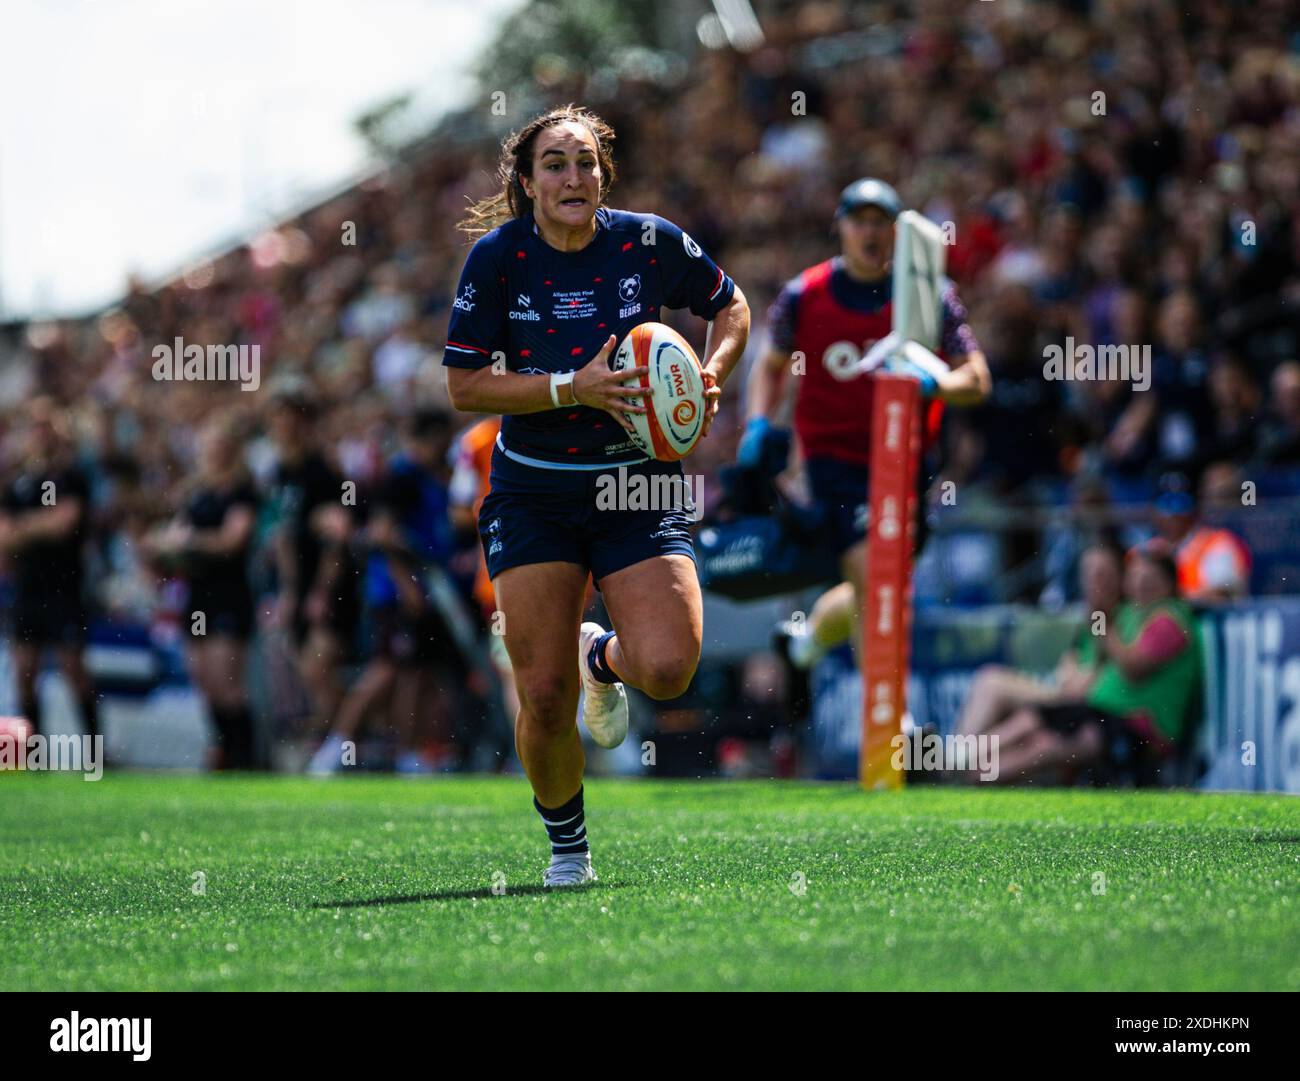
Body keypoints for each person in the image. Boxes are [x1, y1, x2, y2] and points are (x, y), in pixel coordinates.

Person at [444, 105, 750, 886]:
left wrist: (711, 373)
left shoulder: (648, 241)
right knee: (542, 694)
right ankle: (569, 849)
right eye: (555, 163)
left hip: (635, 484)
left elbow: (731, 305)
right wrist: (567, 388)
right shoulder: (497, 258)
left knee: (671, 666)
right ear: (528, 181)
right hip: (535, 492)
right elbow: (465, 385)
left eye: (584, 162)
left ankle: (602, 657)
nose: (572, 176)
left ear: (602, 174)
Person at [751, 179, 991, 670]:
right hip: (834, 460)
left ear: (897, 232)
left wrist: (934, 384)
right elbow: (771, 365)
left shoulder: (931, 296)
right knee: (877, 575)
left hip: (907, 460)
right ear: (840, 226)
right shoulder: (803, 295)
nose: (869, 232)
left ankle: (808, 638)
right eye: (859, 220)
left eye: (880, 221)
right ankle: (887, 723)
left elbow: (978, 379)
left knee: (884, 581)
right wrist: (758, 423)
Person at [987, 544, 1202, 785]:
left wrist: (1104, 622)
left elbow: (1131, 668)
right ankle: (961, 764)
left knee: (1042, 741)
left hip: (1135, 727)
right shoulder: (1131, 614)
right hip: (1102, 714)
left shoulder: (1167, 618)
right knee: (1030, 722)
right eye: (1136, 577)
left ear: (1169, 584)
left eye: (1150, 579)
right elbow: (1084, 661)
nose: (1141, 585)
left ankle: (965, 773)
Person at [145, 417, 260, 769]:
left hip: (229, 593)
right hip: (198, 594)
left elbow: (233, 541)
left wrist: (190, 543)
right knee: (204, 680)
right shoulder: (196, 493)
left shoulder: (242, 491)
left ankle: (245, 756)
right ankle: (223, 748)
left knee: (227, 681)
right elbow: (172, 537)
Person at [954, 543, 1124, 749]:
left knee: (992, 683)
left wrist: (1075, 678)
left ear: (1118, 577)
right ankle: (955, 758)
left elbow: (1091, 675)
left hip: (1081, 702)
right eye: (1088, 573)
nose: (1093, 581)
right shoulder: (1095, 617)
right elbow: (1073, 660)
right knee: (989, 680)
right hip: (1065, 689)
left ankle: (953, 760)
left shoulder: (1114, 617)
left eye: (1101, 573)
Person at [0, 398, 100, 744]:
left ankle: (94, 751)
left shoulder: (72, 477)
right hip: (28, 588)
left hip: (64, 587)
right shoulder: (19, 483)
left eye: (47, 427)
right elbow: (5, 537)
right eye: (35, 427)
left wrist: (23, 529)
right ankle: (33, 756)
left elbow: (64, 523)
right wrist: (38, 526)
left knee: (74, 669)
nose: (40, 435)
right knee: (25, 672)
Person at [266, 380, 359, 741]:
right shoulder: (280, 473)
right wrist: (290, 591)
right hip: (302, 583)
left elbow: (337, 535)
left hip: (330, 584)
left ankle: (343, 744)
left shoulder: (323, 472)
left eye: (288, 419)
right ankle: (334, 743)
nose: (281, 427)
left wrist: (322, 591)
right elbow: (284, 535)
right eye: (276, 419)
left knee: (318, 669)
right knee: (308, 672)